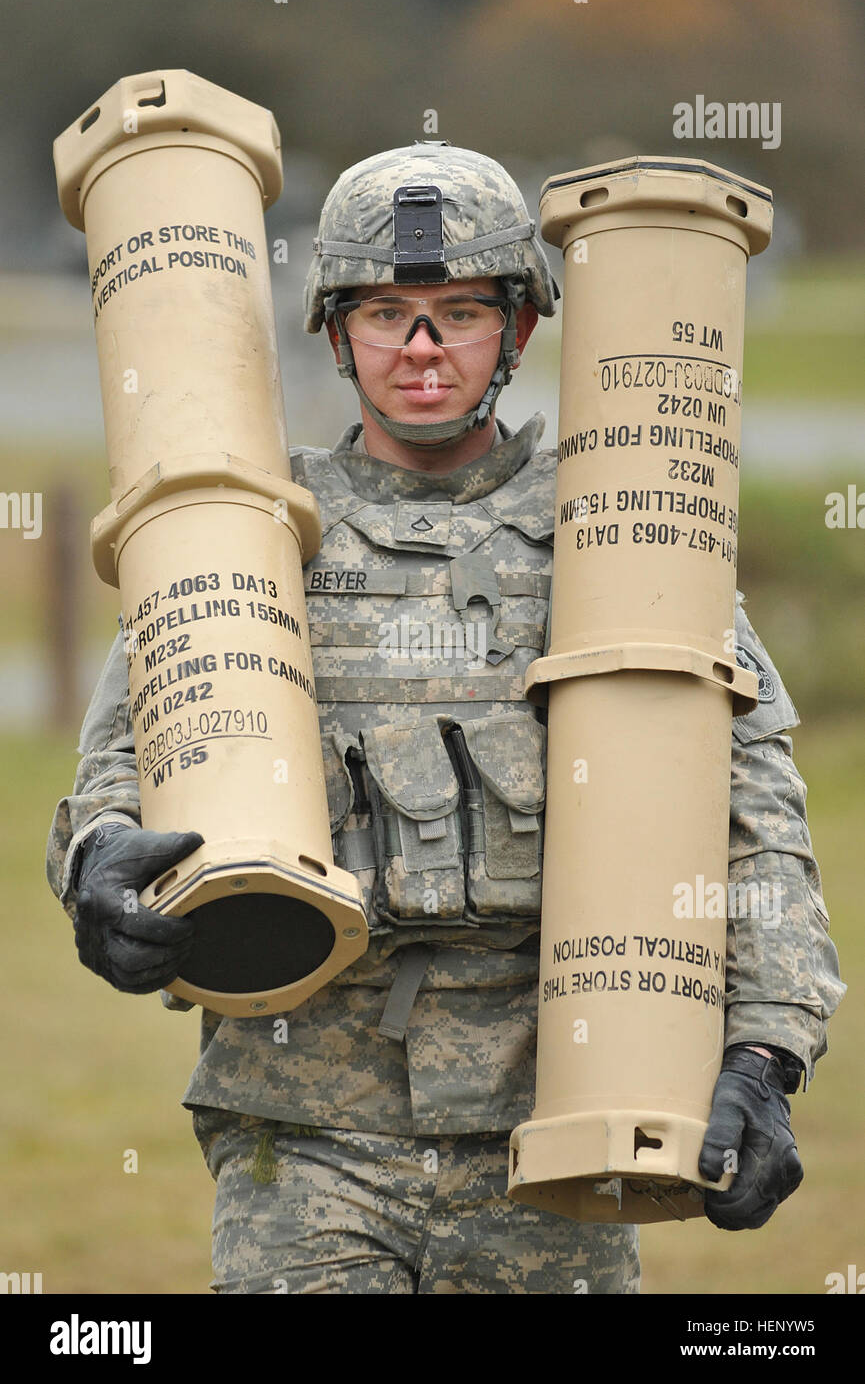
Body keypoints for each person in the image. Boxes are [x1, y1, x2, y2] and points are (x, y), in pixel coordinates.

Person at [45, 142, 845, 1294]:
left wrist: (765, 1054)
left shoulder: (622, 533)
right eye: (387, 312)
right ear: (335, 331)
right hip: (299, 1123)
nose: (421, 348)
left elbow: (749, 796)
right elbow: (123, 768)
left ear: (517, 332)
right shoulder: (252, 530)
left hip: (557, 1121)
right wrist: (99, 867)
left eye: (460, 310)